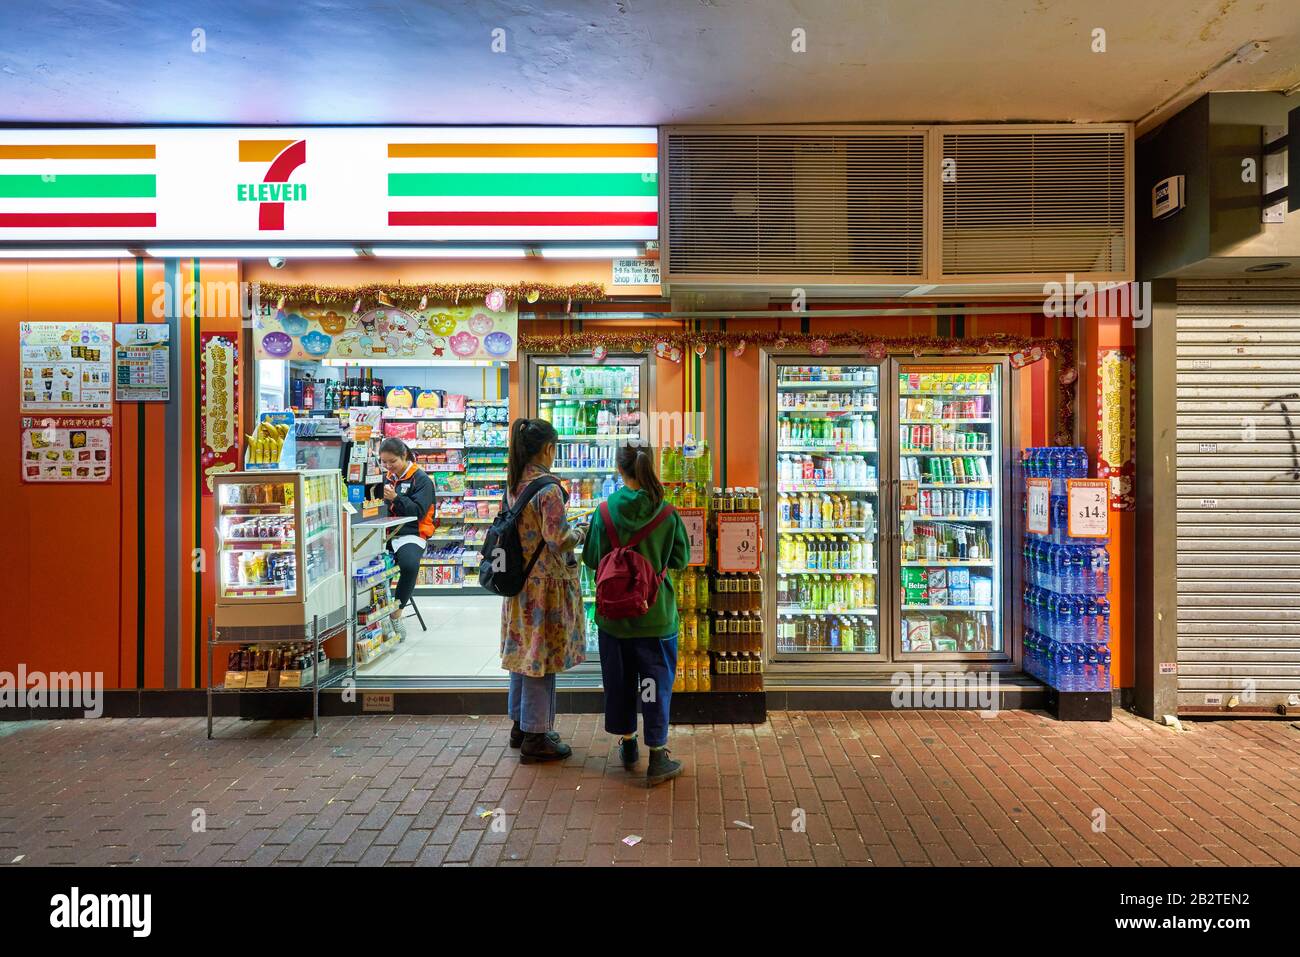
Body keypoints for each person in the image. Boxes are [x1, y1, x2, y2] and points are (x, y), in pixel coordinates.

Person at [582, 444, 690, 786]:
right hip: (656, 617)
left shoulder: (604, 511)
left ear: (620, 470)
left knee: (620, 682)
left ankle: (628, 744)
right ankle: (658, 755)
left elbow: (591, 558)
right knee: (655, 685)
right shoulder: (667, 512)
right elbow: (680, 560)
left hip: (614, 620)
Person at [501, 417, 588, 762]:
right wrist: (580, 529)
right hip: (544, 588)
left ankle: (521, 726)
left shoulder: (514, 482)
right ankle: (537, 738)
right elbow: (558, 539)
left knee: (523, 656)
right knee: (540, 659)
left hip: (519, 584)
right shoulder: (548, 489)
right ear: (548, 449)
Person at [377, 437, 435, 634]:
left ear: (404, 456)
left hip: (412, 533)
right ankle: (375, 615)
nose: (388, 466)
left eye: (392, 461)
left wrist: (396, 498)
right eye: (384, 462)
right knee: (367, 566)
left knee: (409, 566)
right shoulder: (387, 478)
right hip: (385, 533)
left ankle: (396, 613)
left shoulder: (422, 480)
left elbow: (417, 512)